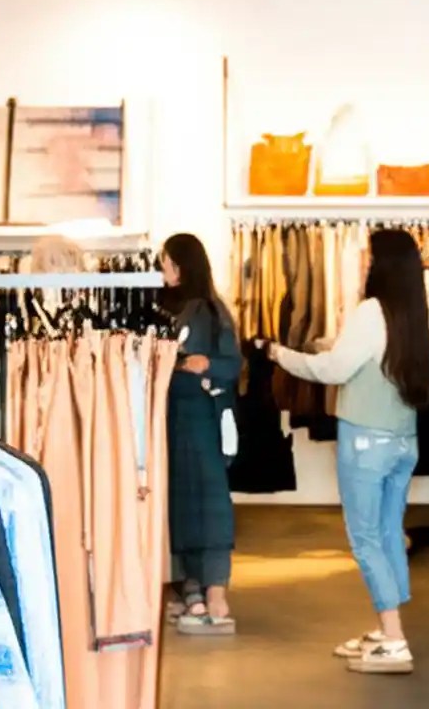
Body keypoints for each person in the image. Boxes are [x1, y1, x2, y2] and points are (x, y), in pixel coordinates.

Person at [268, 228, 429, 674]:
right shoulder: (412, 313)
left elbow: (334, 370)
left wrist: (281, 355)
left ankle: (395, 639)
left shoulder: (371, 311)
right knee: (387, 534)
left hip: (366, 441)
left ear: (383, 265)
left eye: (368, 256)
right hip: (404, 441)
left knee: (364, 539)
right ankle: (389, 630)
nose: (363, 262)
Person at [160, 233, 242, 635]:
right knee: (182, 505)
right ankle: (193, 590)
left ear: (182, 265)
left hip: (202, 419)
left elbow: (232, 365)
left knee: (209, 505)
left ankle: (214, 595)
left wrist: (203, 363)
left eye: (167, 263)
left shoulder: (210, 310)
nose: (163, 272)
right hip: (171, 420)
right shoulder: (160, 308)